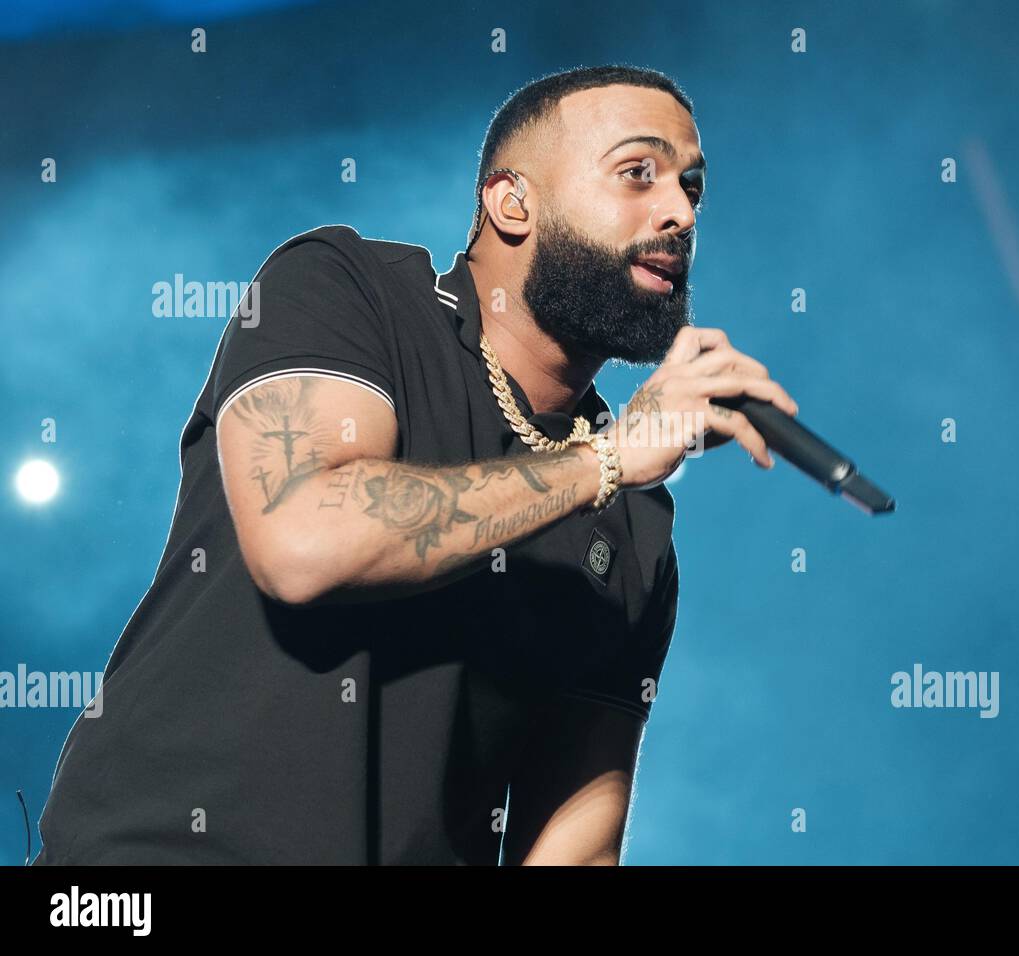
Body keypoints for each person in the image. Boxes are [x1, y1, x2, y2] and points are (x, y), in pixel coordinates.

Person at [33, 64, 797, 865]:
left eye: (692, 189)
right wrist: (604, 460)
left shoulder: (635, 520)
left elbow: (571, 847)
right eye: (637, 173)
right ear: (512, 202)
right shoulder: (345, 289)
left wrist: (610, 469)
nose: (678, 212)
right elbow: (302, 540)